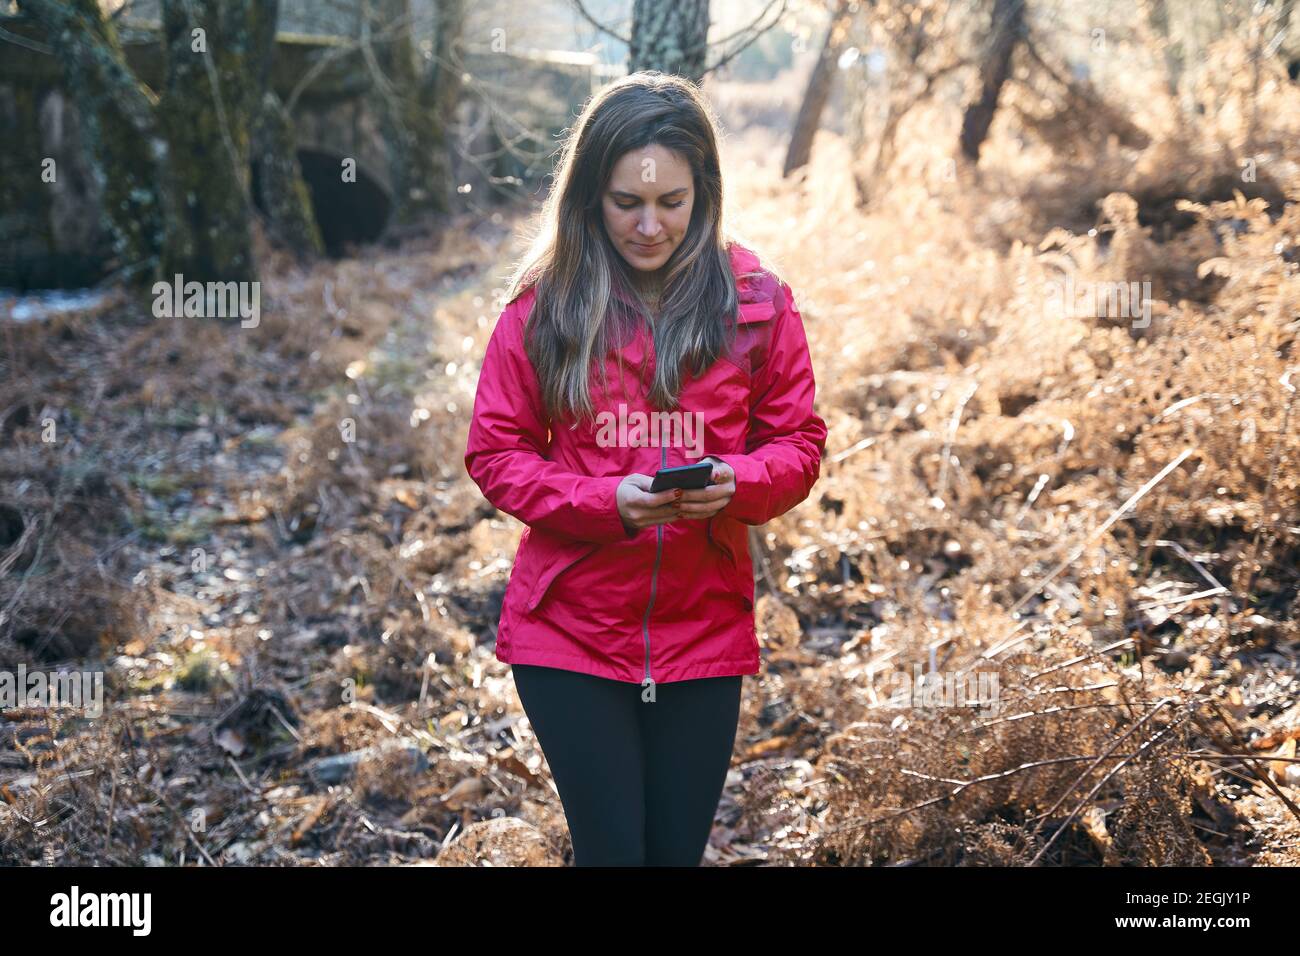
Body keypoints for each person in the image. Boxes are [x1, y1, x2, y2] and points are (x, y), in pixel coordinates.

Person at [463, 71, 828, 866]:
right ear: (590, 194)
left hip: (705, 632)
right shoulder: (544, 307)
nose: (651, 224)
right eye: (628, 201)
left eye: (673, 201)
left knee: (672, 857)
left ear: (706, 192)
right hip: (568, 632)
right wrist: (609, 503)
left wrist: (745, 482)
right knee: (613, 853)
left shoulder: (758, 303)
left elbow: (798, 444)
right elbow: (495, 454)